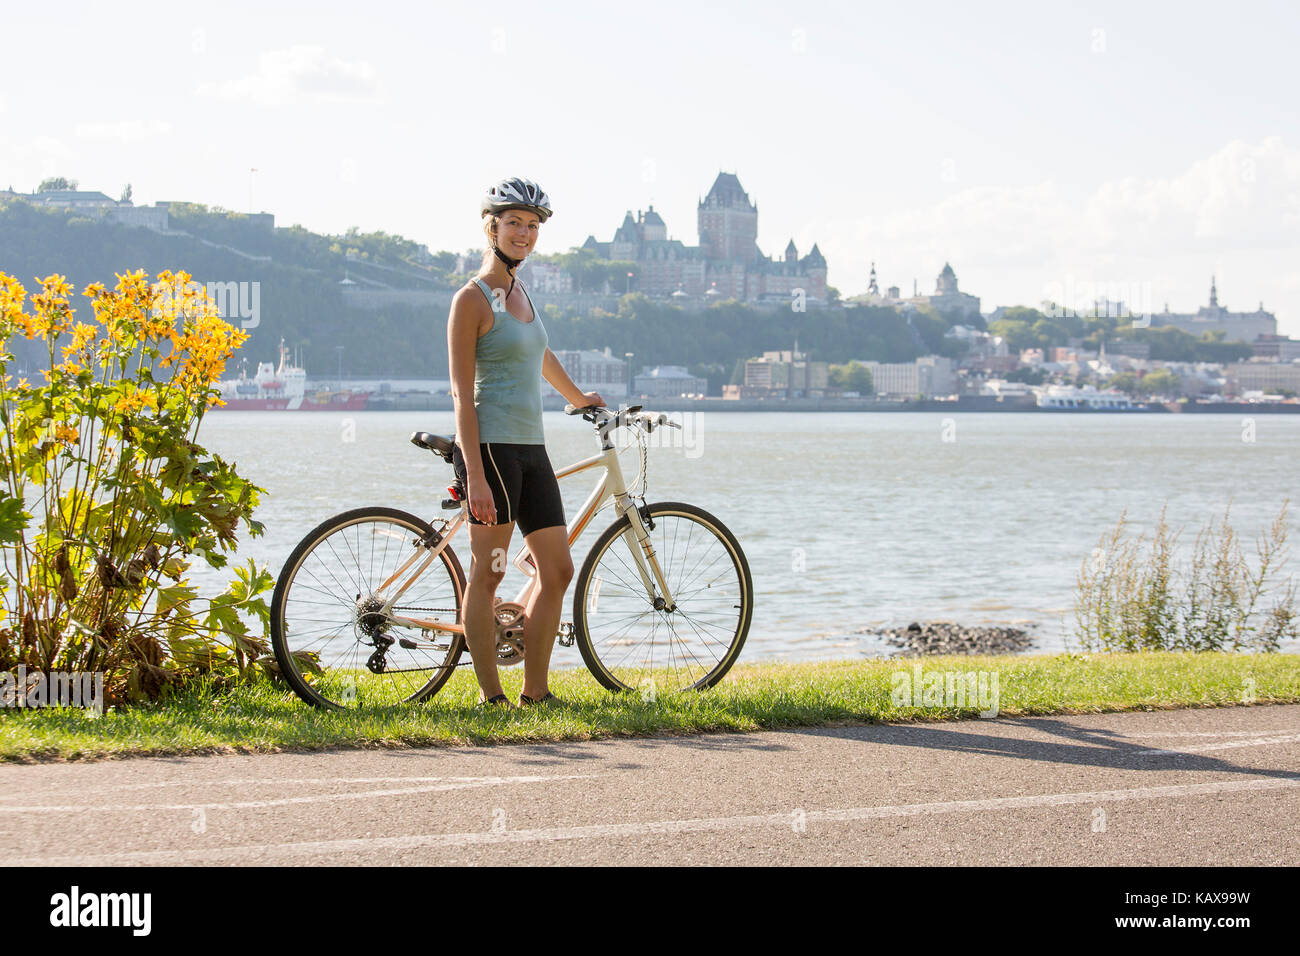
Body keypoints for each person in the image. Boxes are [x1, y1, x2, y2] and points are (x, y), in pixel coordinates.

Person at [447, 176, 604, 708]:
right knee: (488, 576)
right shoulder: (470, 299)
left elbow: (540, 356)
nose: (524, 233)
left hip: (532, 450)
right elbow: (461, 397)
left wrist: (580, 397)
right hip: (490, 450)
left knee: (557, 569)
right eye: (514, 223)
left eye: (532, 226)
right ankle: (492, 698)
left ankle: (535, 693)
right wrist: (476, 475)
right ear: (491, 227)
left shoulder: (521, 294)